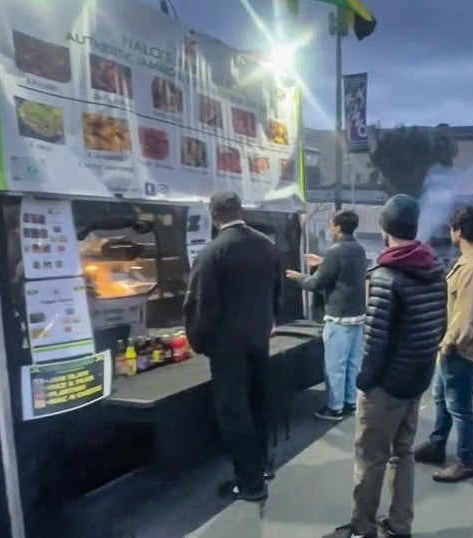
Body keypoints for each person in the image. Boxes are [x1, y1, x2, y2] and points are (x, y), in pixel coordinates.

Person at [325, 195, 447, 538]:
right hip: (417, 378)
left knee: (371, 458)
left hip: (387, 387)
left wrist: (364, 381)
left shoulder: (386, 275)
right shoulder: (435, 268)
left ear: (384, 230)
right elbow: (439, 326)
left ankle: (363, 528)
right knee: (403, 453)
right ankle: (399, 524)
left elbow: (375, 340)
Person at [183, 192, 281, 502]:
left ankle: (250, 484)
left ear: (213, 216)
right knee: (257, 403)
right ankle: (263, 465)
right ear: (241, 210)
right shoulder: (267, 245)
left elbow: (200, 305)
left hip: (228, 347)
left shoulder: (212, 253)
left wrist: (198, 341)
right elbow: (276, 292)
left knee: (234, 411)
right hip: (259, 338)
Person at [414, 206, 473, 483]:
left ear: (459, 231)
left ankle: (466, 460)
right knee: (442, 397)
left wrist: (449, 344)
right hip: (455, 348)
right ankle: (437, 444)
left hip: (462, 350)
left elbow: (465, 316)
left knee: (459, 407)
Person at [286, 209, 368, 421]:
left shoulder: (335, 251)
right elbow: (345, 271)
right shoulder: (358, 249)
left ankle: (334, 408)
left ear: (338, 227)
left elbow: (317, 283)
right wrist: (323, 262)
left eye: (332, 225)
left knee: (335, 365)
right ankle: (350, 403)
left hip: (339, 318)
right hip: (358, 317)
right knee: (352, 363)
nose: (329, 228)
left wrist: (299, 277)